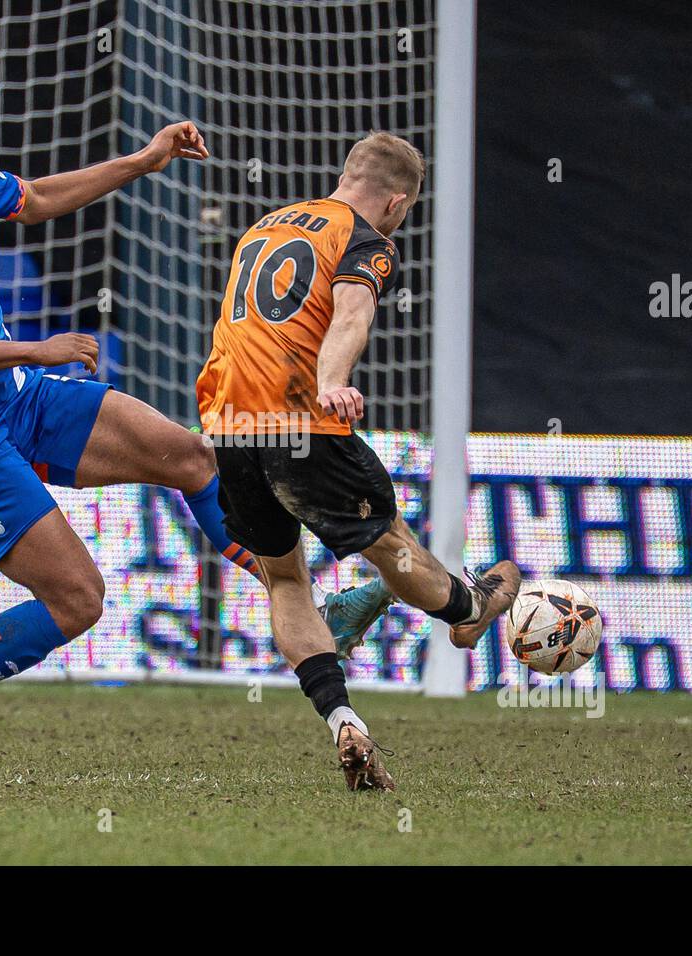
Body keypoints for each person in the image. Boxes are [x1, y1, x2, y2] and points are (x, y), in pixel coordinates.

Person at [0, 79, 391, 764]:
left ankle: (308, 603)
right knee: (78, 599)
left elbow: (38, 200)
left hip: (18, 398)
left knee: (192, 456)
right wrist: (35, 348)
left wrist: (142, 160)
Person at [196, 132, 522, 790]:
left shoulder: (268, 224)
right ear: (397, 201)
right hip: (298, 422)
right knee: (390, 544)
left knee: (285, 581)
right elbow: (350, 314)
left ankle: (342, 718)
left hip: (228, 424)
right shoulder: (364, 239)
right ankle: (467, 612)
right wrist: (330, 381)